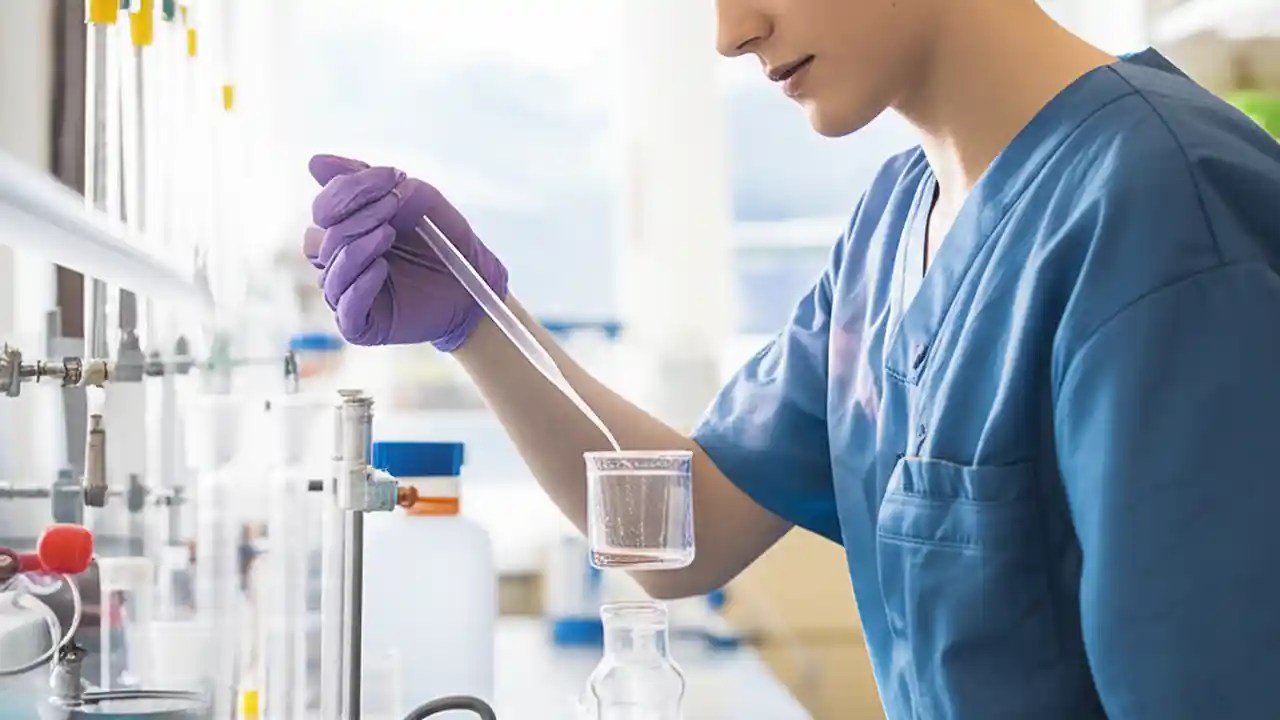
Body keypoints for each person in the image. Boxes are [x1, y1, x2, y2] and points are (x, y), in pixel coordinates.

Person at [303, 1, 1280, 717]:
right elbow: (685, 531)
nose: (728, 32)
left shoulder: (1163, 219)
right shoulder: (892, 223)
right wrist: (480, 320)